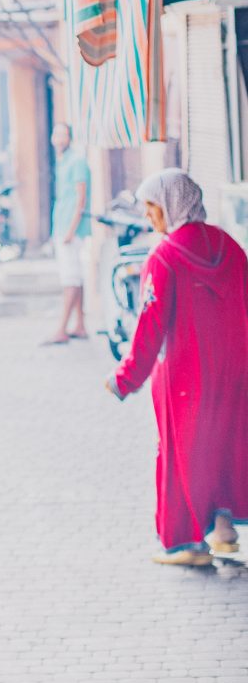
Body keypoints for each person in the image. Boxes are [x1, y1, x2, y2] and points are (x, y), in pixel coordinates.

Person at [107, 170, 248, 566]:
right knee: (224, 445)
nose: (149, 216)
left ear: (172, 205)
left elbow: (150, 328)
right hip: (235, 372)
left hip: (186, 376)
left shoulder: (164, 257)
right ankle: (224, 531)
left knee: (183, 454)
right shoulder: (231, 247)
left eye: (153, 206)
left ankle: (190, 544)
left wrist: (124, 379)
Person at [44, 121, 91, 345]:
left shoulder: (77, 161)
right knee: (76, 277)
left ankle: (61, 328)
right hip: (62, 226)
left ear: (69, 137)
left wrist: (70, 231)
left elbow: (80, 199)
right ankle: (80, 325)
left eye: (63, 134)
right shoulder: (63, 161)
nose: (59, 138)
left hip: (70, 230)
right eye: (56, 134)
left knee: (69, 278)